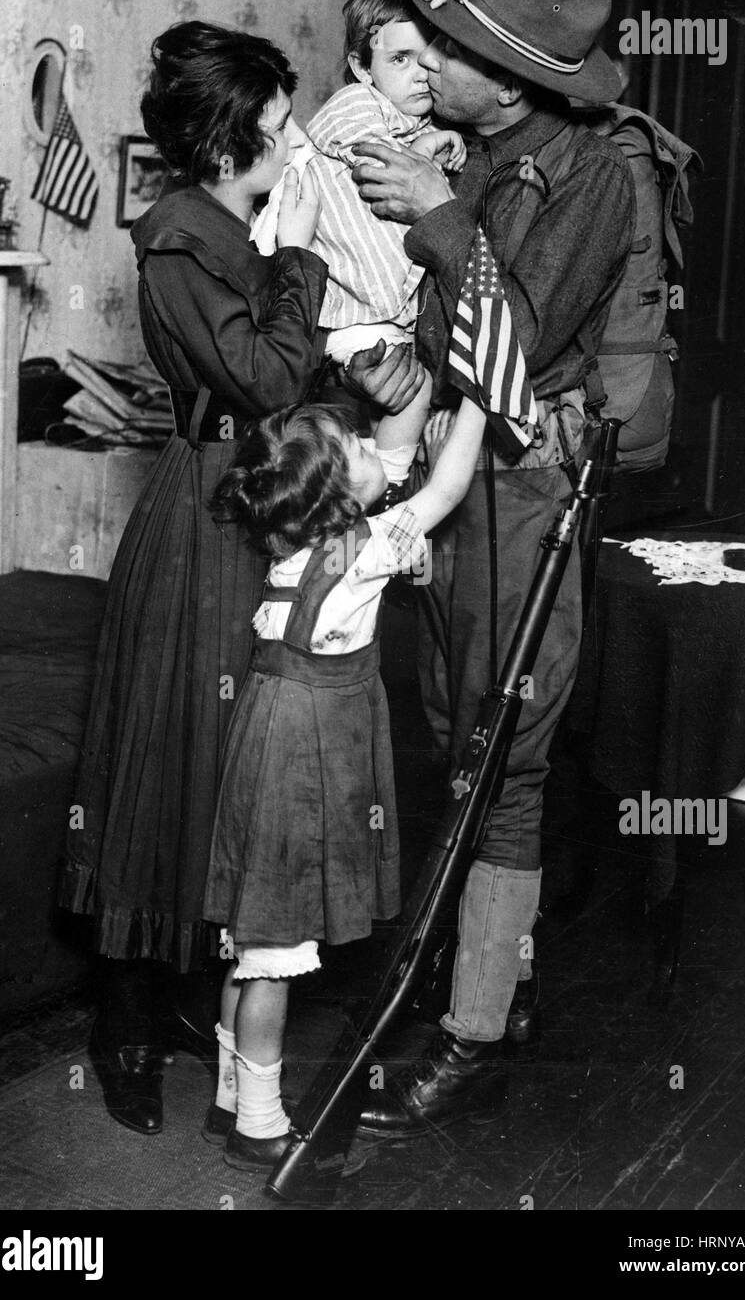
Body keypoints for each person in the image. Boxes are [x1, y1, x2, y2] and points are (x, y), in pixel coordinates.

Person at [59, 20, 424, 1136]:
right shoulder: (178, 234)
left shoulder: (229, 221)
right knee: (166, 763)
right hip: (208, 518)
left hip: (259, 506)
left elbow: (293, 356)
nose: (291, 142)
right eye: (275, 128)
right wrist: (307, 255)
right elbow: (265, 373)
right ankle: (120, 1022)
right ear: (228, 145)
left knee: (227, 768)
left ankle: (179, 995)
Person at [347, 0, 637, 1132]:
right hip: (452, 491)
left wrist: (436, 216)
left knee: (504, 759)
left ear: (509, 80)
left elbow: (512, 358)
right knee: (445, 732)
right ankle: (472, 982)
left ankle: (470, 1033)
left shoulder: (593, 179)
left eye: (447, 50)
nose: (429, 65)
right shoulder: (479, 150)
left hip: (523, 490)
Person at [201, 390, 486, 1169]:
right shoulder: (359, 549)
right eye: (357, 446)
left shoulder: (301, 541)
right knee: (276, 949)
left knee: (253, 938)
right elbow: (445, 488)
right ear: (337, 494)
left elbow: (388, 463)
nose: (372, 446)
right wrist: (478, 407)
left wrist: (415, 397)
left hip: (265, 735)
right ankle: (258, 1119)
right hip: (305, 753)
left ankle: (229, 1096)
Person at [251, 0, 466, 377]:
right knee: (407, 392)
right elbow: (385, 167)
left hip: (387, 305)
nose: (420, 73)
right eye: (400, 59)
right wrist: (423, 153)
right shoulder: (356, 103)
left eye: (429, 55)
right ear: (361, 67)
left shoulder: (424, 122)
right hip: (343, 307)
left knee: (410, 389)